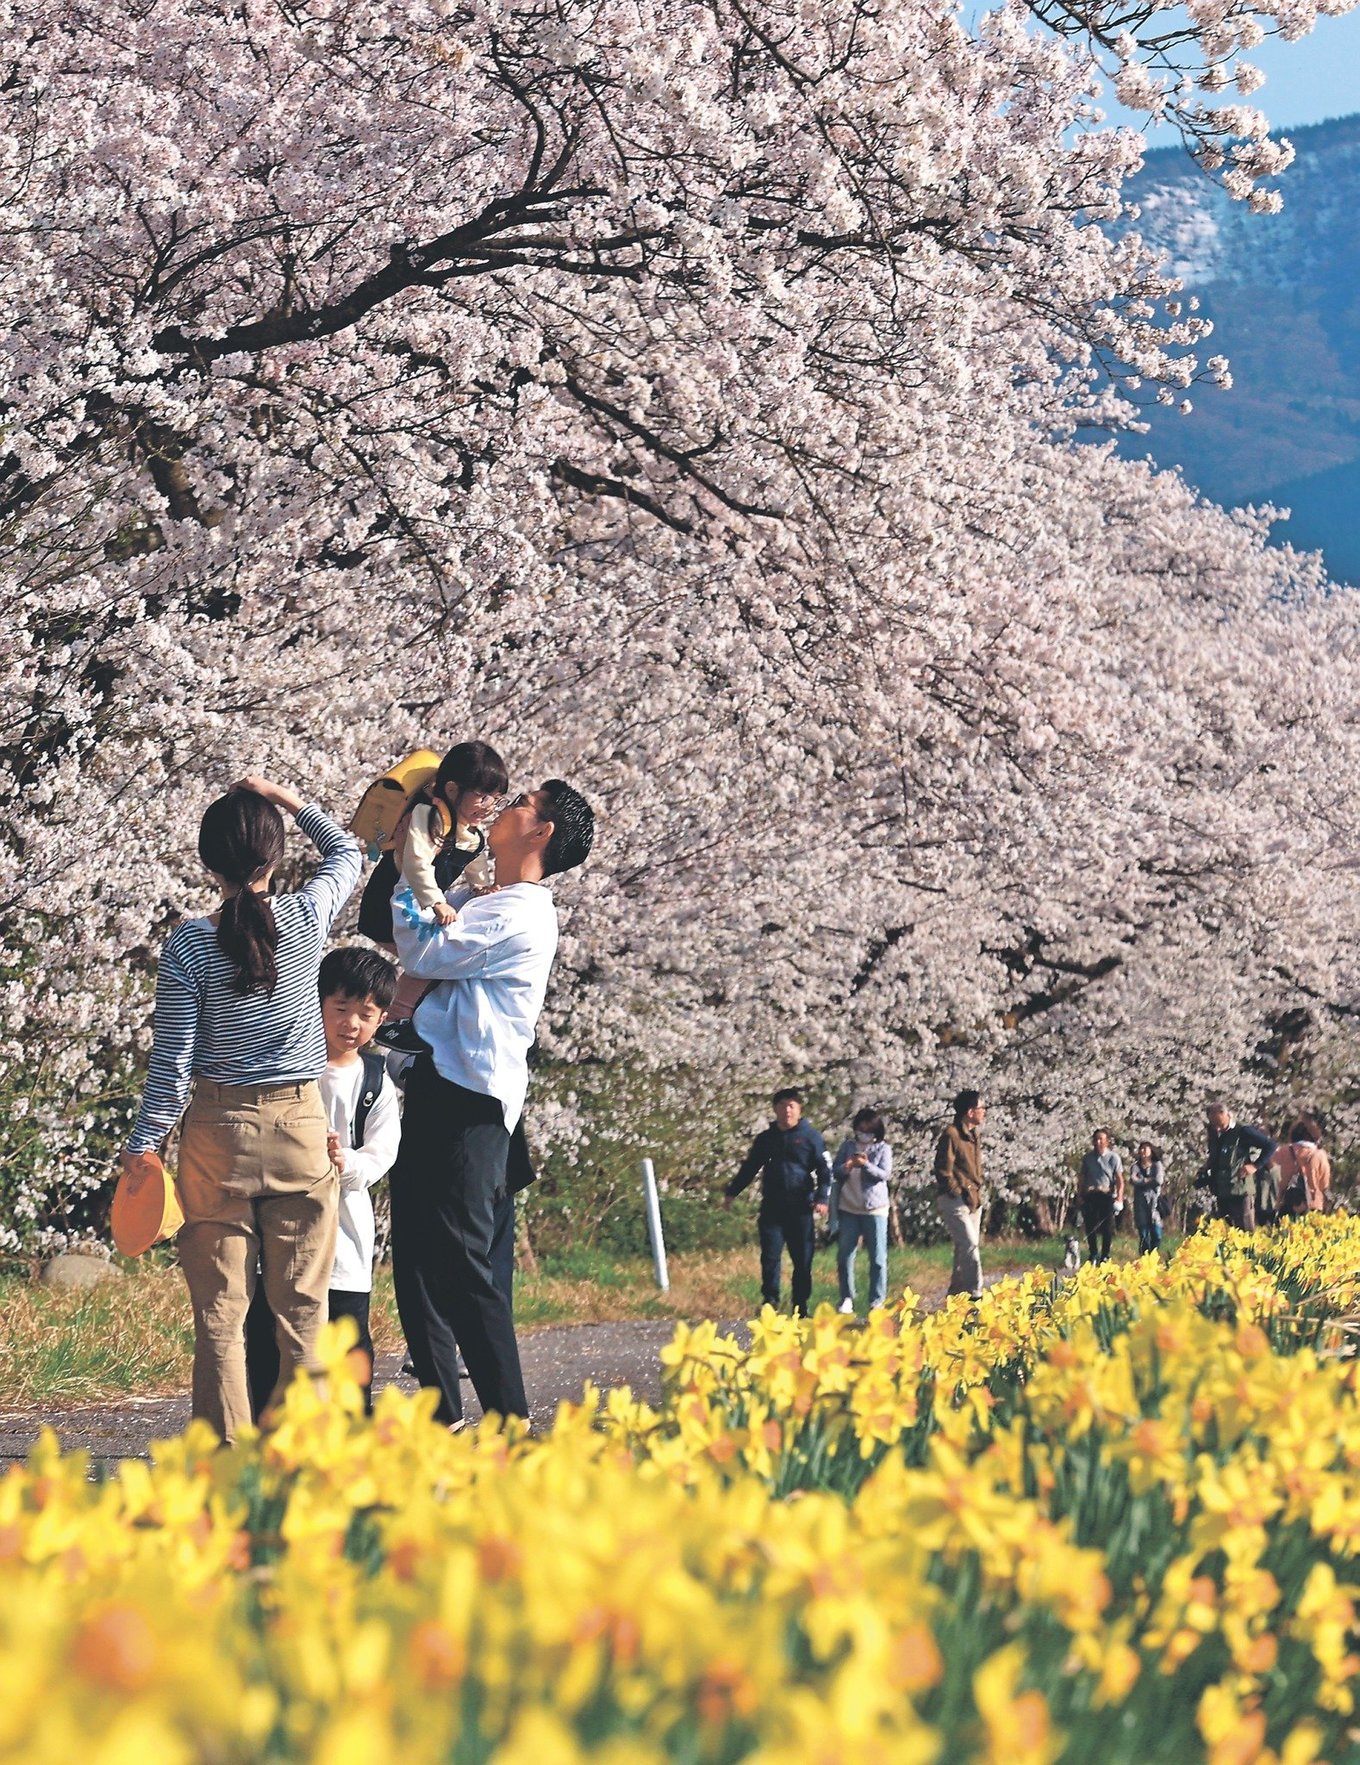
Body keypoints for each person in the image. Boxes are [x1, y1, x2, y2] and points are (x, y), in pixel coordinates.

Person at [121, 778, 362, 1444]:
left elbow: (171, 1065)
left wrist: (144, 1142)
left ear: (208, 862)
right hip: (299, 1126)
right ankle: (301, 1462)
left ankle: (223, 1466)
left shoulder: (190, 945)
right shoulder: (308, 916)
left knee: (221, 1317)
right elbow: (348, 849)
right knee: (303, 1313)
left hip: (215, 1134)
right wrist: (282, 796)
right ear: (275, 859)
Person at [388, 780, 595, 1426]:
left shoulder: (521, 911)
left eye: (523, 803)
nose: (506, 808)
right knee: (417, 1260)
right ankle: (441, 1415)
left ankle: (510, 1418)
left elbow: (422, 946)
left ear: (542, 833)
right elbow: (416, 928)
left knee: (464, 1265)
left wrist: (410, 877)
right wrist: (420, 861)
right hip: (432, 1086)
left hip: (471, 1104)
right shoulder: (488, 897)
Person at [245, 947, 401, 1418]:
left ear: (381, 1019)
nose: (351, 1023)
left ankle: (353, 1441)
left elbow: (382, 1150)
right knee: (271, 1340)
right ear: (316, 1002)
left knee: (348, 1344)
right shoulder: (291, 1065)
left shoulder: (375, 1080)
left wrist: (347, 1162)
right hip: (280, 1231)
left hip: (345, 1240)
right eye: (340, 1009)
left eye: (365, 1014)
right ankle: (270, 1432)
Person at [356, 740, 508, 1036]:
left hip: (417, 907)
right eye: (481, 796)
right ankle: (396, 1021)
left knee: (434, 965)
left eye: (496, 799)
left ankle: (404, 1019)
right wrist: (436, 901)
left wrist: (481, 888)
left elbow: (474, 860)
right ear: (452, 790)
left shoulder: (470, 832)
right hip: (390, 904)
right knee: (431, 965)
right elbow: (415, 864)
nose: (489, 806)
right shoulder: (427, 817)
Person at [724, 1088, 833, 1315]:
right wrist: (732, 1192)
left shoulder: (811, 1137)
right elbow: (750, 1168)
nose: (787, 1110)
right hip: (772, 1207)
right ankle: (770, 1302)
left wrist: (822, 1198)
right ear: (775, 1109)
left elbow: (825, 1170)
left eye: (792, 1105)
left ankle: (800, 1306)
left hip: (801, 1208)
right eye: (783, 1105)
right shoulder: (766, 1139)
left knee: (802, 1260)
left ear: (799, 1109)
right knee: (770, 1257)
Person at [832, 1108, 894, 1314]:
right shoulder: (847, 1147)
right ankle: (847, 1297)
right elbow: (836, 1171)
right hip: (848, 1207)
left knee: (877, 1257)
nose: (863, 1134)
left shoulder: (883, 1149)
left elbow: (884, 1174)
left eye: (868, 1131)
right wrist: (848, 1165)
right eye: (860, 1130)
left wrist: (866, 1165)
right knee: (844, 1255)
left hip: (875, 1209)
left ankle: (877, 1301)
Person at [934, 1090, 986, 1300]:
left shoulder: (974, 1135)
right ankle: (976, 1292)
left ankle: (956, 1293)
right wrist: (956, 1191)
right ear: (970, 1111)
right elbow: (943, 1170)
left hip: (974, 1199)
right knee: (969, 1245)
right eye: (982, 1108)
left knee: (962, 1248)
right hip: (955, 1200)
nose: (984, 1112)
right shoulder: (951, 1134)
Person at [1202, 1102, 1277, 1231]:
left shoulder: (1243, 1131)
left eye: (1220, 1125)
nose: (1218, 1129)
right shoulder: (1213, 1131)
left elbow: (1270, 1145)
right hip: (1221, 1191)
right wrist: (1207, 1166)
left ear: (1227, 1115)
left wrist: (1255, 1166)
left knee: (1244, 1232)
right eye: (1214, 1125)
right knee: (1224, 1233)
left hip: (1241, 1191)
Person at [1268, 1115, 1332, 1218]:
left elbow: (1271, 1173)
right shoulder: (1320, 1155)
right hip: (1313, 1204)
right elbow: (1324, 1184)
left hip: (1285, 1202)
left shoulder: (1282, 1151)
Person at [1077, 1128, 1125, 1265]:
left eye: (1101, 1139)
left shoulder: (1113, 1158)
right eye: (1096, 1139)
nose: (1098, 1142)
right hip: (1091, 1194)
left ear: (1107, 1142)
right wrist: (1080, 1194)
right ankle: (1093, 1253)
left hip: (1106, 1195)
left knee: (1107, 1226)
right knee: (1090, 1225)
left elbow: (1120, 1179)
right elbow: (1082, 1177)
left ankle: (1105, 1254)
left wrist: (1119, 1197)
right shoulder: (1088, 1158)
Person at [1131, 1140, 1165, 1255]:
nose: (1142, 1151)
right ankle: (1144, 1257)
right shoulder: (1135, 1166)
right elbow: (1133, 1180)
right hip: (1140, 1203)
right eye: (1141, 1149)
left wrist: (1142, 1181)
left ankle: (1153, 1254)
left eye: (1145, 1149)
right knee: (1144, 1234)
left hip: (1155, 1203)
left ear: (1151, 1151)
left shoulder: (1157, 1165)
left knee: (1157, 1233)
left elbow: (1158, 1180)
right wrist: (1148, 1180)